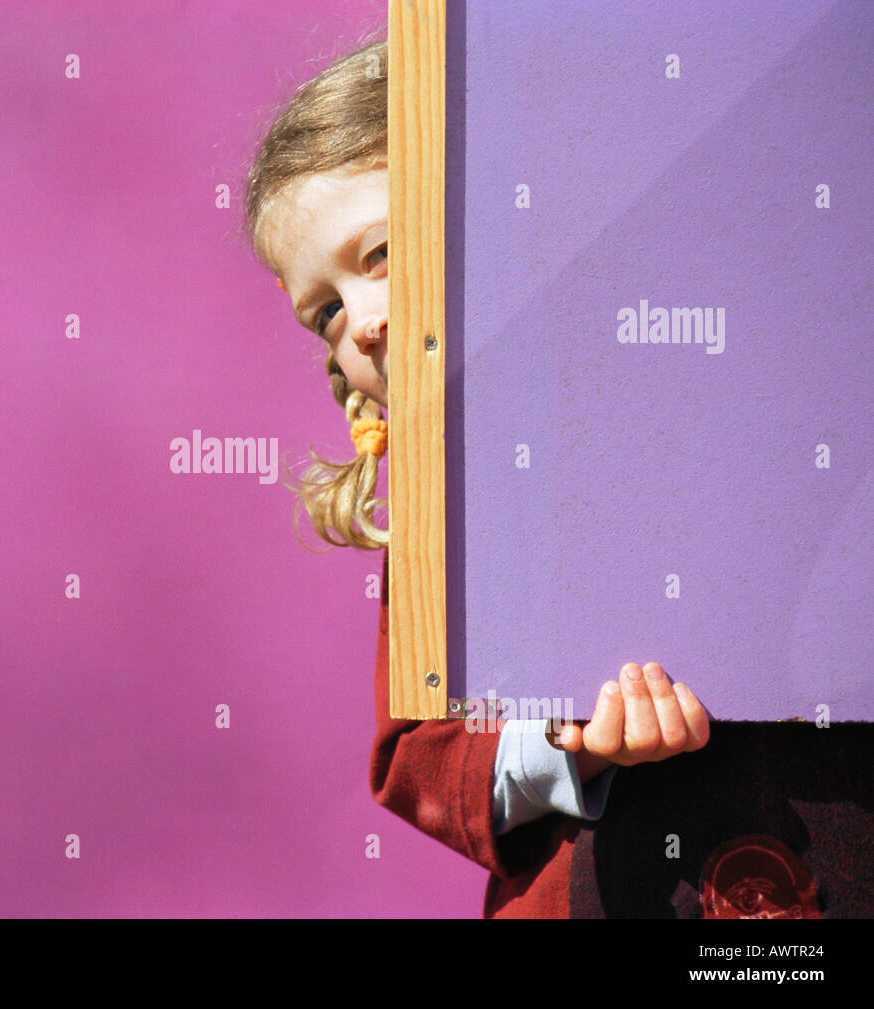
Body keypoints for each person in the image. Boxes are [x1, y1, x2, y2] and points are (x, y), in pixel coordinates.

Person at [241, 36, 874, 917]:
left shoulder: (762, 365)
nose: (364, 323)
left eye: (380, 254)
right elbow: (422, 759)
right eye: (327, 312)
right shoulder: (443, 512)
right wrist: (568, 739)